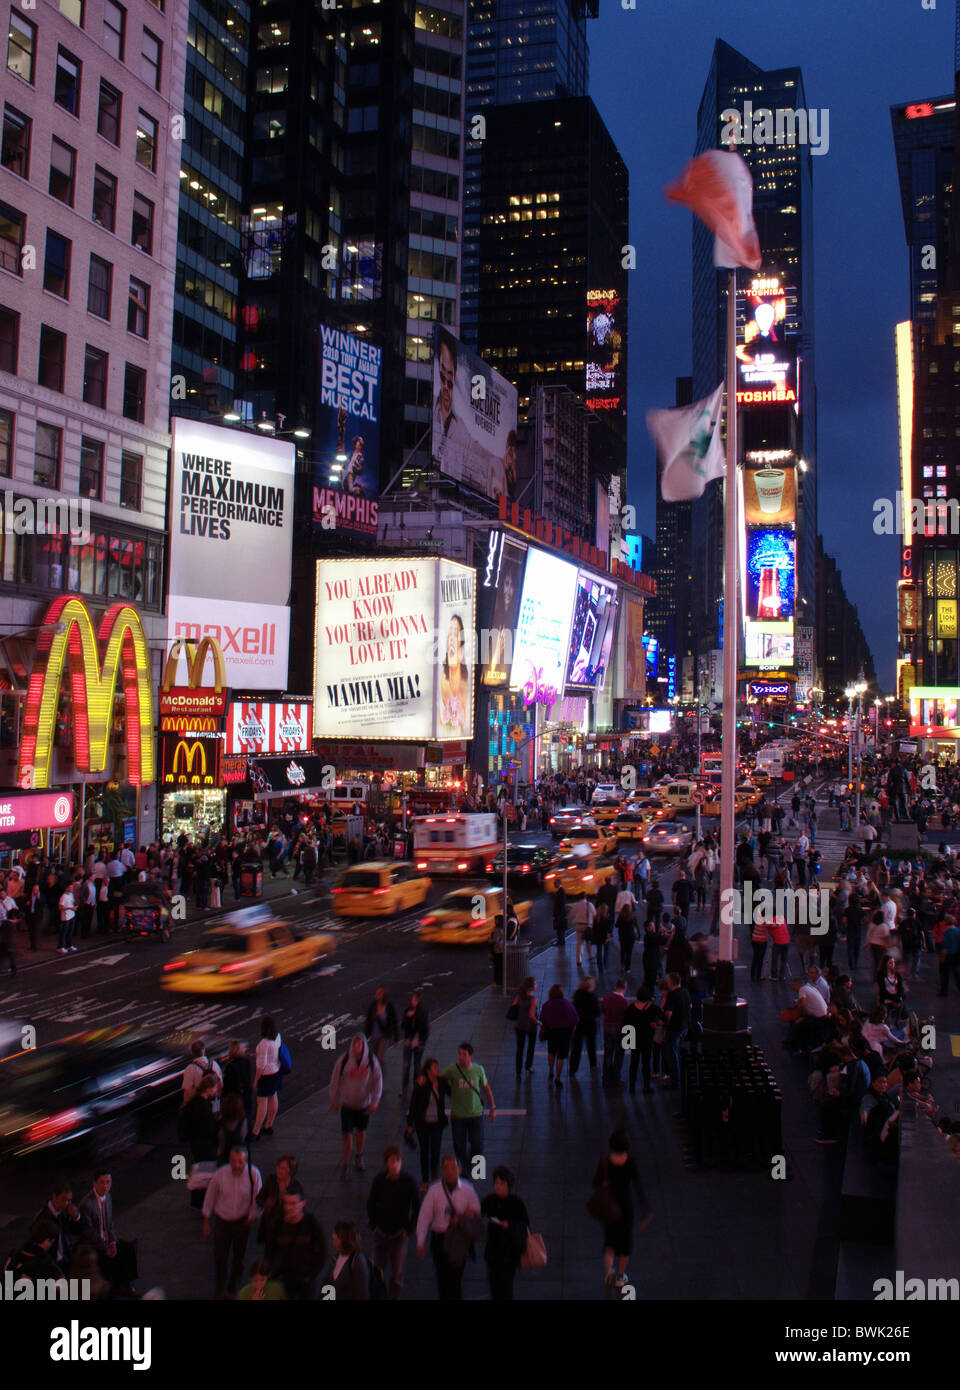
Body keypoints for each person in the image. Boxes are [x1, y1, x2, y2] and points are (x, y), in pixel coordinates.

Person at [591, 1129, 652, 1291]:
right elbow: (638, 1187)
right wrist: (645, 1210)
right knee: (625, 1244)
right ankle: (620, 1276)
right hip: (626, 1206)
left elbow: (595, 1182)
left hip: (610, 1206)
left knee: (610, 1242)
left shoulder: (604, 1161)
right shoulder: (630, 1162)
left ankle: (608, 1271)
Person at [415, 1154, 483, 1301]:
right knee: (442, 1278)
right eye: (446, 1168)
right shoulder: (434, 1191)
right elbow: (424, 1216)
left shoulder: (468, 1190)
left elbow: (477, 1215)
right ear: (442, 1170)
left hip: (459, 1239)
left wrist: (463, 1218)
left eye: (453, 1167)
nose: (450, 1171)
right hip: (439, 1239)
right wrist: (421, 1241)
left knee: (455, 1279)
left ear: (459, 1169)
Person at [202, 1146, 262, 1299]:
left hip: (242, 1222)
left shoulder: (253, 1174)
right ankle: (219, 1286)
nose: (237, 1165)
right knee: (220, 1256)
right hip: (222, 1221)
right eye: (234, 1161)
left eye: (240, 1162)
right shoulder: (220, 1175)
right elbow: (210, 1196)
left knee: (238, 1257)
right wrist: (206, 1220)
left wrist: (252, 1215)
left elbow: (258, 1197)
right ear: (229, 1160)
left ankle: (232, 1287)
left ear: (246, 1161)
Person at [367, 1145, 420, 1300]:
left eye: (398, 1161)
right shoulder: (379, 1180)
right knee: (377, 1272)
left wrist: (409, 1229)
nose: (395, 1164)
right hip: (381, 1232)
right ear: (386, 1163)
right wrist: (374, 1225)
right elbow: (371, 1202)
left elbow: (417, 1206)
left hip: (399, 1234)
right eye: (392, 1161)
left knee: (397, 1276)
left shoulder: (408, 1181)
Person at [330, 1033, 383, 1177]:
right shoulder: (344, 1060)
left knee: (360, 1132)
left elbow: (378, 1080)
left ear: (364, 1046)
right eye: (355, 1044)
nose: (356, 1047)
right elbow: (335, 1078)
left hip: (363, 1104)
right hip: (347, 1104)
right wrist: (333, 1098)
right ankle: (346, 1162)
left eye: (359, 1044)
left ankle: (359, 1155)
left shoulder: (371, 1061)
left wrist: (375, 1100)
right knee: (346, 1134)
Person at [443, 1043, 495, 1172]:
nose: (461, 1057)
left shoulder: (478, 1069)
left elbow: (486, 1088)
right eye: (459, 1054)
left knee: (478, 1144)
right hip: (458, 1115)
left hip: (476, 1114)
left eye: (464, 1054)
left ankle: (477, 1171)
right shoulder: (452, 1069)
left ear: (471, 1056)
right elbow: (440, 1079)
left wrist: (492, 1107)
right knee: (459, 1147)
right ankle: (463, 1172)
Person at [481, 1167, 530, 1301]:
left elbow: (525, 1224)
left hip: (509, 1252)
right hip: (493, 1250)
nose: (498, 1187)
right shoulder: (489, 1200)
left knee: (506, 1287)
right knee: (494, 1286)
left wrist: (510, 1225)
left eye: (502, 1183)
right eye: (496, 1183)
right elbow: (478, 1212)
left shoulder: (516, 1203)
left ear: (508, 1184)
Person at [270, 1192, 328, 1300]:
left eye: (293, 1203)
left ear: (302, 1204)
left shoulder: (311, 1223)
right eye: (286, 1203)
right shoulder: (277, 1224)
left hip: (305, 1279)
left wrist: (312, 1274)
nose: (288, 1207)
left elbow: (323, 1251)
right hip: (284, 1279)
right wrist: (276, 1272)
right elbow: (270, 1251)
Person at [406, 1059, 449, 1192]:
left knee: (435, 1150)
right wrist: (410, 1124)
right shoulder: (421, 1084)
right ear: (428, 1070)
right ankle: (425, 1180)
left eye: (438, 1067)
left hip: (437, 1123)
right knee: (424, 1151)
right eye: (435, 1067)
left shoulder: (441, 1082)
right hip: (422, 1124)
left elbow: (452, 1093)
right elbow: (413, 1105)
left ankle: (434, 1174)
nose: (438, 1069)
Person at [256, 1153, 304, 1255]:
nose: (279, 1171)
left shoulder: (296, 1187)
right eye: (278, 1167)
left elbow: (300, 1210)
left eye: (283, 1168)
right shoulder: (271, 1180)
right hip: (270, 1229)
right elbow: (259, 1198)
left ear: (291, 1171)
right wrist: (265, 1204)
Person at [34, 1181, 83, 1274]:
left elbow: (77, 1231)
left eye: (69, 1201)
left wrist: (76, 1217)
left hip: (66, 1260)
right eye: (64, 1200)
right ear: (54, 1197)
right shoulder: (43, 1218)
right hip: (51, 1264)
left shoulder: (65, 1213)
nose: (67, 1204)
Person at [623, 986, 663, 1094]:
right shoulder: (653, 1008)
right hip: (647, 1037)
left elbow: (625, 1023)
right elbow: (664, 1018)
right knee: (646, 1062)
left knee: (634, 1062)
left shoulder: (631, 1008)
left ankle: (632, 1086)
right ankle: (646, 1085)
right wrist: (656, 1023)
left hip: (634, 1036)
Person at [539, 983, 578, 1089]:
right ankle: (557, 1077)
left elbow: (542, 1018)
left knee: (551, 1051)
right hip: (564, 1033)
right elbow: (575, 1019)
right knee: (561, 1055)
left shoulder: (547, 1004)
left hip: (552, 1032)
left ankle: (551, 1070)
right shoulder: (567, 1004)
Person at [250, 1016, 284, 1140]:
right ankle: (269, 1125)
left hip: (266, 1075)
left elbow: (261, 1066)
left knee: (262, 1102)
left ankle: (256, 1131)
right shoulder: (277, 1037)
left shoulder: (264, 1043)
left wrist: (256, 1080)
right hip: (276, 1071)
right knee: (273, 1096)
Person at [662, 972, 691, 1089]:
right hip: (685, 1027)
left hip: (674, 1028)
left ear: (670, 983)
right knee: (678, 1052)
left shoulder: (672, 995)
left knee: (672, 1053)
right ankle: (680, 1076)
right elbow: (690, 1007)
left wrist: (663, 1024)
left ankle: (675, 1080)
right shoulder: (685, 992)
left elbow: (668, 1014)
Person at [330, 1221, 371, 1300]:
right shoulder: (337, 1256)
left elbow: (363, 1294)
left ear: (343, 1238)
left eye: (335, 1233)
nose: (333, 1236)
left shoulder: (358, 1261)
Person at [400, 989, 430, 1094]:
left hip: (418, 1043)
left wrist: (422, 1043)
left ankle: (416, 1087)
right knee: (406, 1065)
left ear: (418, 1001)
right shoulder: (407, 1010)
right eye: (412, 999)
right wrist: (408, 1018)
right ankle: (404, 1088)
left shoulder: (423, 1013)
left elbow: (425, 1029)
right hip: (408, 1041)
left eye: (414, 1000)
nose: (412, 1001)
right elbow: (403, 1025)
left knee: (417, 1066)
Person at [600, 979, 629, 1086]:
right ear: (625, 989)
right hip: (619, 1029)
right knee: (619, 1054)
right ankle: (616, 1078)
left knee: (608, 1053)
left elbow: (602, 1010)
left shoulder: (607, 998)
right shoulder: (624, 1002)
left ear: (615, 987)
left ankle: (606, 1077)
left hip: (607, 1027)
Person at [182, 1039, 223, 1112]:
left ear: (192, 1052)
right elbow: (221, 1084)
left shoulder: (190, 1068)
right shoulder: (214, 1064)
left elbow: (187, 1091)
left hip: (198, 1105)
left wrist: (185, 1106)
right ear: (204, 1050)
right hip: (214, 1104)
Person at [365, 986, 399, 1072]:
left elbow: (394, 1021)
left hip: (385, 1035)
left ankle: (380, 1075)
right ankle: (375, 1073)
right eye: (377, 993)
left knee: (380, 1058)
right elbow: (368, 1021)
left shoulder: (389, 1006)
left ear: (384, 995)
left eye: (380, 993)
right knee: (374, 1057)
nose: (377, 995)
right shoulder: (372, 1005)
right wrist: (365, 1036)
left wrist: (396, 1038)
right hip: (374, 1035)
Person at [222, 1040, 254, 1135]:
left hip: (236, 1099)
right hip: (246, 1095)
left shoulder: (230, 1066)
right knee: (246, 1119)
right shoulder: (246, 1062)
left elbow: (228, 1086)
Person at [570, 975, 600, 1075]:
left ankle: (573, 1069)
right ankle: (593, 1064)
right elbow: (597, 1012)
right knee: (591, 1046)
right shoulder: (593, 997)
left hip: (579, 1024)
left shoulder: (577, 994)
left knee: (576, 1048)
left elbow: (573, 1009)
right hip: (591, 1025)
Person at [511, 977, 538, 1076]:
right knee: (531, 1047)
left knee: (520, 1048)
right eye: (535, 983)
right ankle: (528, 1066)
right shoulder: (533, 999)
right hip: (530, 1027)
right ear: (531, 987)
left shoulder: (519, 996)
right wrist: (538, 1022)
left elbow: (514, 1006)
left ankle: (518, 1070)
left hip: (519, 1025)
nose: (536, 984)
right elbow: (532, 1015)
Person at [569, 892, 596, 967]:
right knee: (588, 941)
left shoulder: (576, 905)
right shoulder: (589, 905)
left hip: (579, 926)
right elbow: (594, 915)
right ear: (585, 897)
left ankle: (578, 960)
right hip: (587, 926)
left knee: (579, 943)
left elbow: (571, 916)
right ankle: (590, 956)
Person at [616, 903, 637, 974]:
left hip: (622, 936)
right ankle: (628, 968)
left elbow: (616, 925)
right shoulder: (632, 916)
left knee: (623, 950)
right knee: (629, 952)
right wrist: (638, 935)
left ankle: (622, 965)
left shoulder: (621, 917)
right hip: (631, 936)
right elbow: (636, 926)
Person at [57, 879, 77, 953]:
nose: (72, 889)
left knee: (70, 932)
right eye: (70, 888)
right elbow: (60, 907)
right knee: (64, 932)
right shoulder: (63, 896)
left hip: (72, 915)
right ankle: (60, 946)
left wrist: (73, 907)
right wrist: (70, 908)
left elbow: (72, 902)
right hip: (65, 917)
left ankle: (69, 945)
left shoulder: (71, 895)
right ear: (67, 888)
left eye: (72, 887)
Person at [552, 880, 568, 947]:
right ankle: (560, 941)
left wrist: (559, 914)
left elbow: (561, 904)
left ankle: (560, 942)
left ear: (559, 883)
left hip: (560, 914)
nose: (554, 885)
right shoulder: (560, 891)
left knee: (560, 929)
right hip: (559, 913)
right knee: (560, 929)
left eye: (555, 883)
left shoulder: (561, 891)